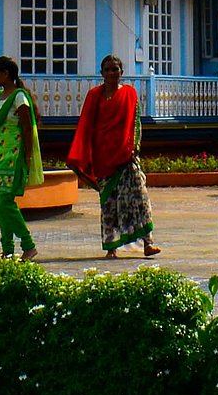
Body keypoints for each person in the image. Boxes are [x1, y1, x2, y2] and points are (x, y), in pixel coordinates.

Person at [67, 55, 161, 258]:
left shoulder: (129, 93)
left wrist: (135, 147)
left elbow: (135, 122)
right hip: (103, 156)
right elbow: (87, 125)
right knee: (109, 204)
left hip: (126, 156)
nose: (111, 73)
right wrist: (83, 155)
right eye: (108, 70)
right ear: (102, 73)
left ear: (121, 72)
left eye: (115, 69)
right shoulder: (94, 96)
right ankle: (111, 247)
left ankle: (147, 243)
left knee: (139, 198)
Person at [0, 55, 43, 260]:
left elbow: (27, 128)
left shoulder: (20, 97)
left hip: (13, 154)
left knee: (6, 201)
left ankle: (28, 245)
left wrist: (28, 157)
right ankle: (7, 250)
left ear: (6, 74)